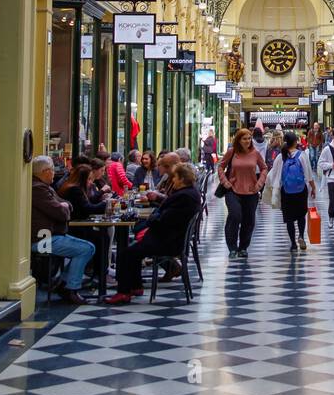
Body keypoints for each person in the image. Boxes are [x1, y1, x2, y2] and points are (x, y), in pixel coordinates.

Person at [106, 163, 202, 305]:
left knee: (126, 254)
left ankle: (124, 292)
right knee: (132, 251)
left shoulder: (184, 196)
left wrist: (151, 218)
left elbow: (164, 219)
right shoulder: (188, 193)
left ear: (182, 179)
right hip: (170, 238)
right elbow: (166, 213)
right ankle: (136, 286)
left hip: (167, 241)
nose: (172, 180)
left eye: (174, 177)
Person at [30, 155, 94, 304]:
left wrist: (64, 206)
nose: (54, 173)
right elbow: (60, 212)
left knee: (88, 247)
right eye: (52, 170)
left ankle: (65, 284)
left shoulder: (44, 187)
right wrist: (64, 208)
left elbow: (65, 204)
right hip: (41, 240)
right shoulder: (38, 189)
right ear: (45, 171)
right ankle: (69, 288)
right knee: (86, 249)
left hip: (49, 236)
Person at [218, 129, 266, 257]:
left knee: (249, 220)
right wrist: (225, 182)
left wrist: (259, 184)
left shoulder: (255, 153)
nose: (247, 141)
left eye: (249, 138)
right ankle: (232, 247)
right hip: (233, 190)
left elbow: (264, 168)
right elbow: (220, 167)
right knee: (235, 215)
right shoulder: (231, 152)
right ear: (238, 140)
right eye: (244, 138)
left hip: (251, 192)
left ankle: (243, 247)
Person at [269, 130, 315, 252]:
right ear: (295, 142)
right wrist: (313, 188)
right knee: (301, 215)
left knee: (289, 219)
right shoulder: (302, 155)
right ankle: (301, 236)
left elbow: (275, 175)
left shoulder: (280, 156)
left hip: (286, 191)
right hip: (300, 191)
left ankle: (293, 244)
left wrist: (275, 189)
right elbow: (308, 173)